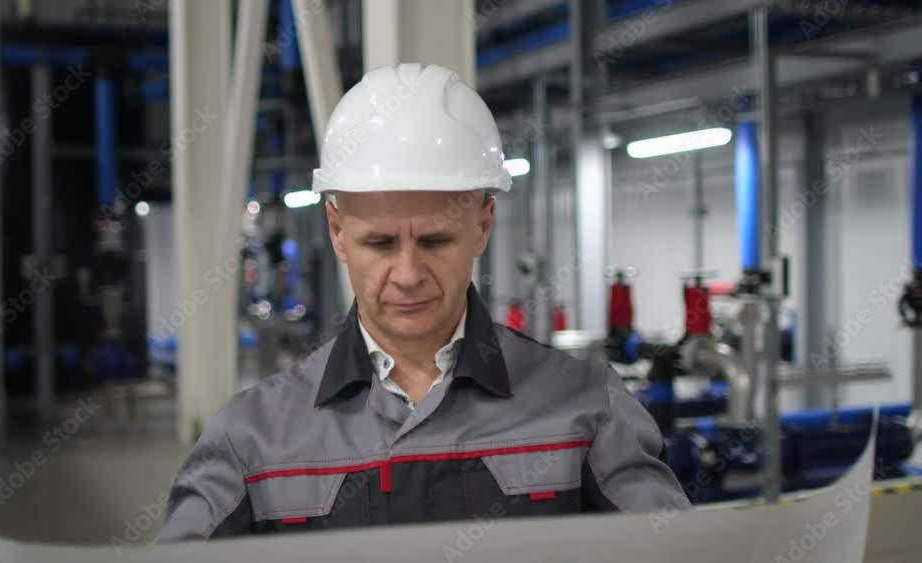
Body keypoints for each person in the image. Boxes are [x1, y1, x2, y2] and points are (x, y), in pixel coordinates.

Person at [155, 63, 686, 542]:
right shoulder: (251, 439)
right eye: (380, 243)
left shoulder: (589, 411)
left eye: (435, 241)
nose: (408, 275)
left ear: (482, 226)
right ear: (337, 233)